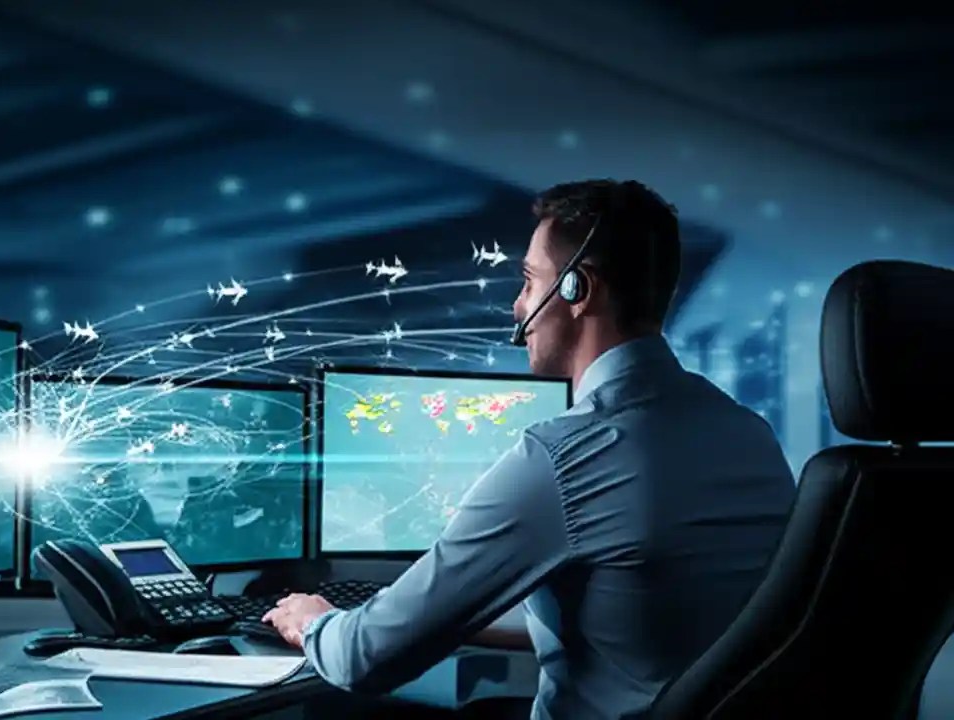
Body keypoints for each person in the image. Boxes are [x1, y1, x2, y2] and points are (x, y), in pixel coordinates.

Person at [262, 179, 796, 718]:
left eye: (527, 281)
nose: (518, 306)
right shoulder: (750, 434)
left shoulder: (565, 458)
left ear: (576, 290)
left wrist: (312, 620)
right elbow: (645, 619)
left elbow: (364, 658)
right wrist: (454, 615)